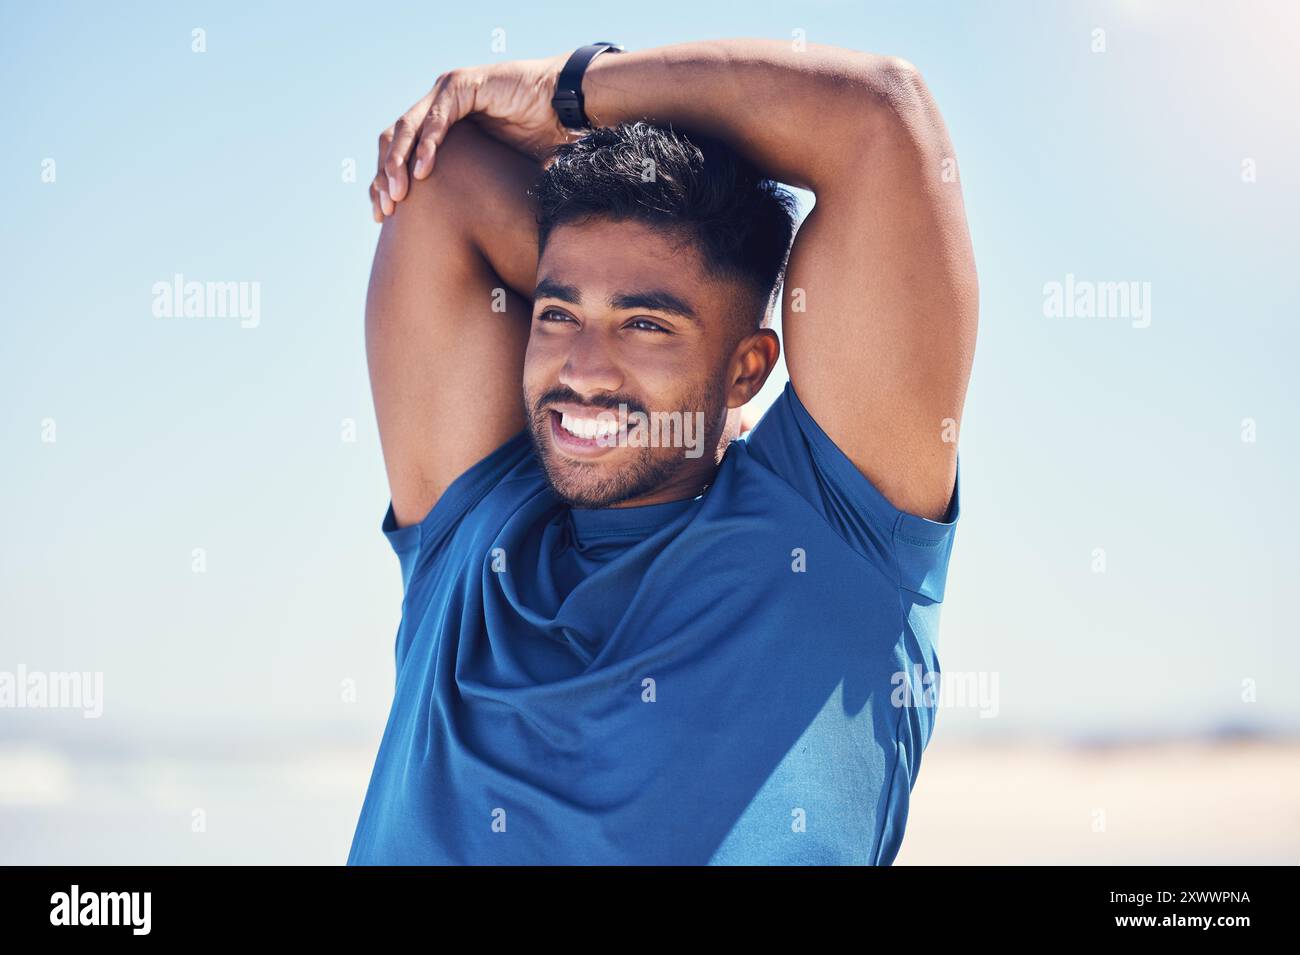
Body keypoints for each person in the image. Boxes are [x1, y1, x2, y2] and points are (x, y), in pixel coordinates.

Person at [348, 38, 977, 865]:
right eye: (557, 312)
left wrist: (568, 89)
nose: (582, 370)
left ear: (747, 366)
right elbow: (444, 174)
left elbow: (877, 118)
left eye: (645, 325)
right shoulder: (473, 546)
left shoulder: (830, 537)